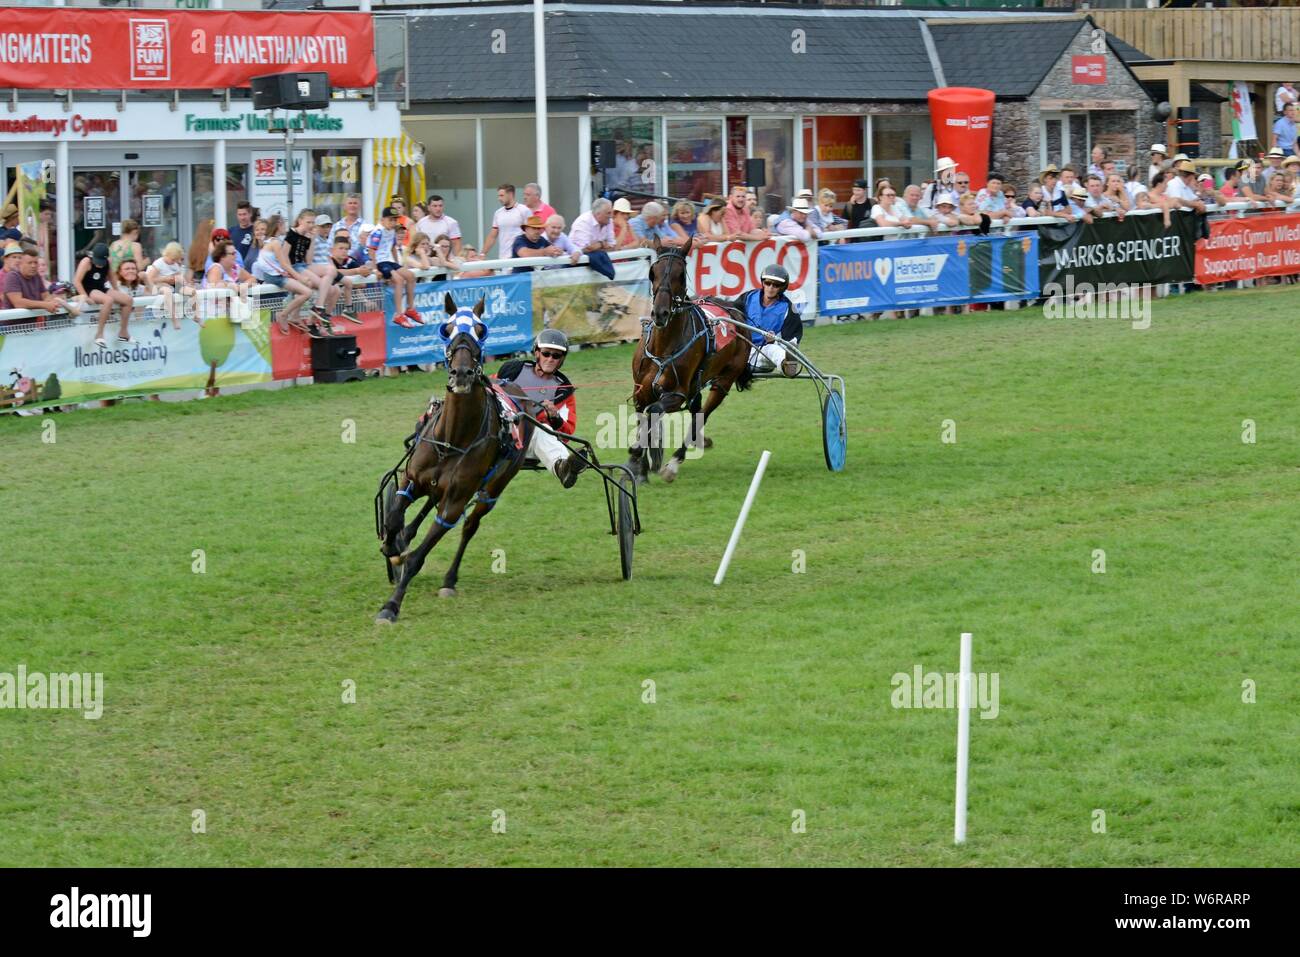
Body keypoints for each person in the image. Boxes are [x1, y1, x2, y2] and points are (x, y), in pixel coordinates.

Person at [494, 328, 584, 487]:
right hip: (497, 431)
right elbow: (490, 388)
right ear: (536, 353)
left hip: (526, 441)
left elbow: (566, 435)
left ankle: (563, 468)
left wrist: (554, 418)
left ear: (562, 359)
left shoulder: (563, 390)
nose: (550, 359)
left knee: (541, 429)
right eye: (546, 353)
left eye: (556, 355)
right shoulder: (513, 369)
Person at [250, 216, 318, 335]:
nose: (286, 228)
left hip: (274, 274)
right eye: (284, 225)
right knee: (307, 292)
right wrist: (299, 277)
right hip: (275, 276)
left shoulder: (271, 241)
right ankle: (283, 315)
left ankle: (294, 315)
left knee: (307, 286)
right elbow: (284, 264)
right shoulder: (275, 242)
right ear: (278, 225)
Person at [737, 264, 801, 378]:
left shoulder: (788, 309)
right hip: (741, 349)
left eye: (776, 285)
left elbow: (791, 342)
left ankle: (787, 367)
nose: (771, 287)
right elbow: (731, 318)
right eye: (767, 283)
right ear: (763, 283)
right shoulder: (748, 297)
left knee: (773, 349)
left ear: (782, 287)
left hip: (764, 353)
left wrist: (773, 341)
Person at [370, 206, 421, 327]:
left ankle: (410, 308)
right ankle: (398, 314)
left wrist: (398, 264)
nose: (393, 223)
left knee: (410, 276)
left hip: (389, 260)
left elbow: (392, 247)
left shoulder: (392, 231)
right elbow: (371, 250)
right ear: (383, 220)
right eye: (390, 220)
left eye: (395, 220)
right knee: (398, 280)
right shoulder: (378, 232)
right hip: (380, 262)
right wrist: (375, 269)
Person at [77, 242, 135, 347]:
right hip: (89, 289)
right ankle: (99, 334)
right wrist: (84, 296)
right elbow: (76, 281)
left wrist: (117, 291)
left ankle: (123, 332)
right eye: (97, 262)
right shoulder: (86, 262)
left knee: (128, 300)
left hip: (101, 288)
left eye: (101, 262)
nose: (99, 265)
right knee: (108, 300)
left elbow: (112, 277)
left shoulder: (107, 262)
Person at [286, 209, 337, 322]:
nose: (311, 225)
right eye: (308, 222)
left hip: (303, 266)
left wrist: (312, 239)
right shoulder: (293, 233)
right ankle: (314, 309)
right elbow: (285, 256)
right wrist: (294, 274)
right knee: (328, 278)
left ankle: (313, 318)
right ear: (300, 220)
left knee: (332, 288)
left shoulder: (309, 236)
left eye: (312, 222)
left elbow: (308, 260)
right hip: (296, 267)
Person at [4, 248, 64, 316]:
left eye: (35, 262)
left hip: (32, 323)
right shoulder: (12, 276)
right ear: (20, 264)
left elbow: (45, 296)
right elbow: (18, 303)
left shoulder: (36, 276)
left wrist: (54, 299)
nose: (33, 266)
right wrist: (45, 304)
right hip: (12, 324)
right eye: (29, 263)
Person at [328, 235, 370, 322]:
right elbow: (334, 272)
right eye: (341, 248)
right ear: (332, 250)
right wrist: (355, 272)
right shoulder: (328, 260)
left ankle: (349, 310)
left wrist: (365, 270)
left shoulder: (350, 261)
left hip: (345, 300)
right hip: (329, 301)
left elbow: (362, 284)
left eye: (346, 249)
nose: (344, 251)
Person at [482, 183, 529, 259]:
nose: (499, 198)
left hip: (519, 259)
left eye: (501, 195)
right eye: (498, 196)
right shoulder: (498, 213)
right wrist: (482, 254)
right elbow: (492, 236)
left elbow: (531, 233)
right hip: (503, 259)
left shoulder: (524, 210)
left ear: (510, 194)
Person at [228, 201, 258, 268]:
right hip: (234, 270)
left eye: (244, 214)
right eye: (240, 214)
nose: (242, 218)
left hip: (251, 272)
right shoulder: (231, 231)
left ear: (250, 214)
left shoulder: (256, 231)